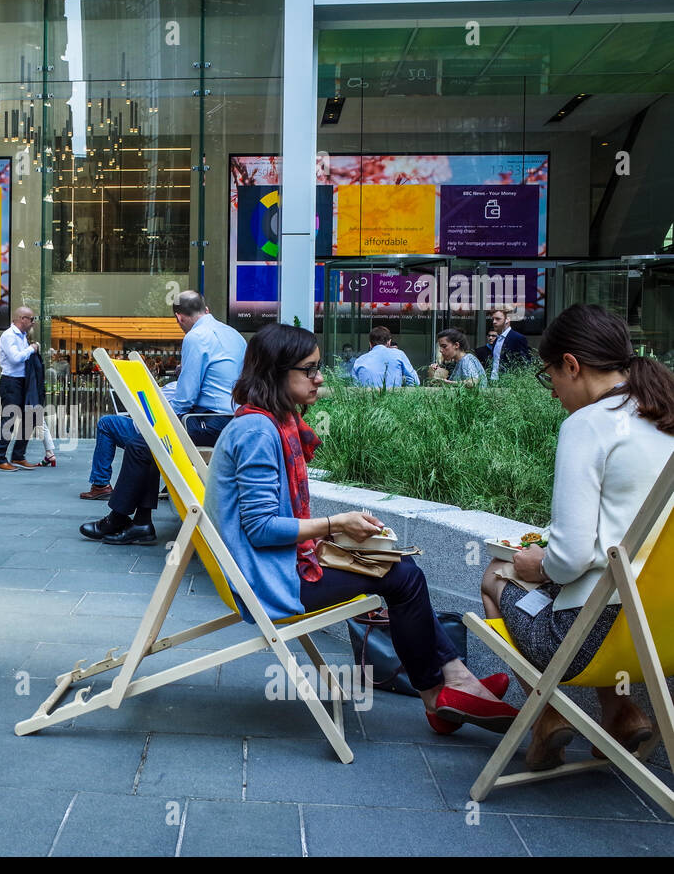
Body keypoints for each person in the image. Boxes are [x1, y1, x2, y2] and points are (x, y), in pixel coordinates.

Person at [208, 322, 516, 733]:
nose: (320, 378)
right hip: (269, 582)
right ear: (277, 373)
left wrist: (332, 531)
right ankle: (446, 690)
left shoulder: (265, 423)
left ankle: (452, 688)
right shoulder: (258, 432)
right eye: (310, 369)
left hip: (269, 569)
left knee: (399, 570)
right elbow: (262, 528)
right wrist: (336, 523)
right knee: (403, 576)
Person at [479, 303, 674, 769]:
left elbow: (566, 560)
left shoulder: (587, 426)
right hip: (660, 633)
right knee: (600, 589)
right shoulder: (663, 417)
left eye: (551, 377)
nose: (554, 394)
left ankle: (546, 719)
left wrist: (535, 565)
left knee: (496, 576)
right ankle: (620, 711)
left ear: (572, 364)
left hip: (587, 641)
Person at [80, 291, 245, 546]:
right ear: (207, 308)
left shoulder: (195, 337)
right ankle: (140, 523)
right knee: (147, 443)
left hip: (208, 422)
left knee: (143, 443)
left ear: (179, 317)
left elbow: (186, 398)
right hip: (231, 420)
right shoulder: (233, 334)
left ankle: (119, 518)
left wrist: (159, 414)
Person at [0, 307, 42, 470]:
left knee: (31, 416)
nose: (33, 322)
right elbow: (15, 359)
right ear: (22, 319)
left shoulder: (22, 336)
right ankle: (0, 459)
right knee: (10, 419)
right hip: (11, 382)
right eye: (31, 319)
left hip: (23, 381)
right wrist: (31, 349)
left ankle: (18, 456)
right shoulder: (9, 336)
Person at [351, 326, 420, 388]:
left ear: (370, 344)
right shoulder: (399, 354)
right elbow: (415, 381)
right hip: (394, 400)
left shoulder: (359, 361)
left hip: (368, 401)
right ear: (389, 342)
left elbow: (355, 388)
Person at [488, 307, 532, 379]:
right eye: (493, 319)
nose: (494, 322)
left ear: (507, 320)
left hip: (509, 383)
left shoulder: (517, 338)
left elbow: (525, 364)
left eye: (498, 319)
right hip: (494, 382)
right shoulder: (497, 339)